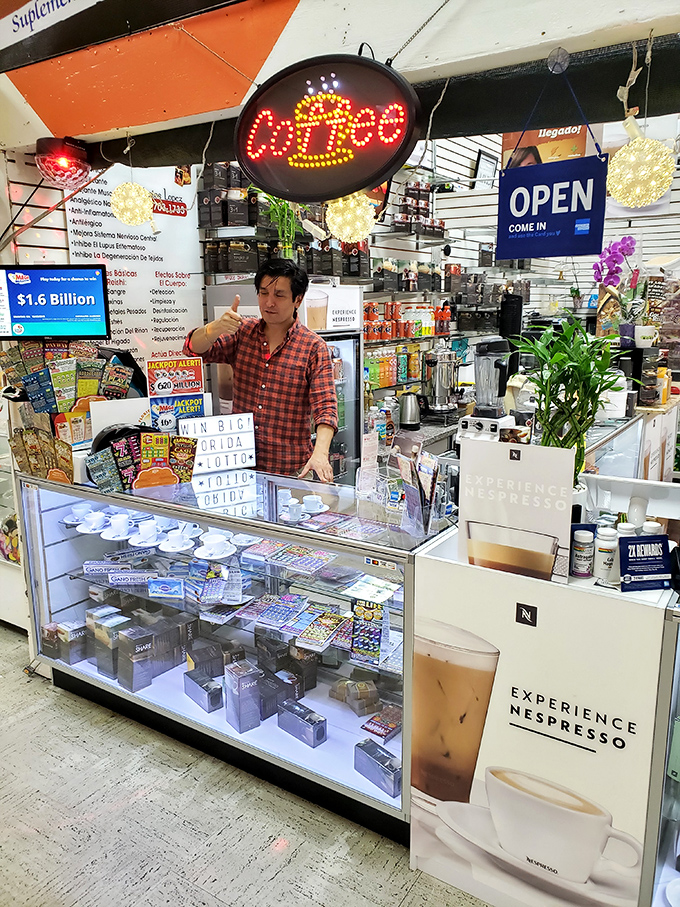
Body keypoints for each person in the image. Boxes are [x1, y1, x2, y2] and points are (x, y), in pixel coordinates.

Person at [184, 258, 338, 482]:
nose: (269, 302)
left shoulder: (313, 347)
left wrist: (321, 454)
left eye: (279, 295)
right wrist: (215, 327)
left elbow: (326, 407)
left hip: (290, 471)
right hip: (240, 469)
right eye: (263, 293)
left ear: (298, 299)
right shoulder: (243, 332)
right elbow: (192, 349)